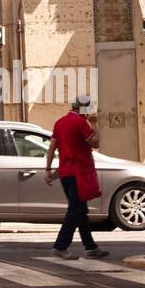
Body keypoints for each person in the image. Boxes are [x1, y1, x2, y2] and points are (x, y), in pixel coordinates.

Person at [44, 94, 109, 259]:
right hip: (78, 173)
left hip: (65, 173)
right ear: (85, 108)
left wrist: (48, 170)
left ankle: (90, 246)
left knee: (80, 210)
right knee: (75, 210)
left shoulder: (60, 122)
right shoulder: (81, 123)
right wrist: (95, 124)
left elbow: (51, 148)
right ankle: (60, 246)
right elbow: (95, 143)